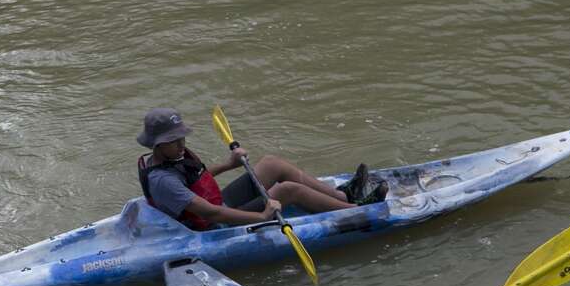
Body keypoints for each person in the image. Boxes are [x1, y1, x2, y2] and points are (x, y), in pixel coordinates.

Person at [135, 108, 387, 231]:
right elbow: (213, 214)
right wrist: (263, 216)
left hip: (215, 202)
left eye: (182, 138)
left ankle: (343, 195)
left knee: (271, 164)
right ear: (157, 145)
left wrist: (228, 164)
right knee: (286, 191)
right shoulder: (162, 181)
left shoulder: (172, 155)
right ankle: (357, 210)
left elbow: (197, 177)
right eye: (174, 140)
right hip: (210, 225)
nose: (181, 144)